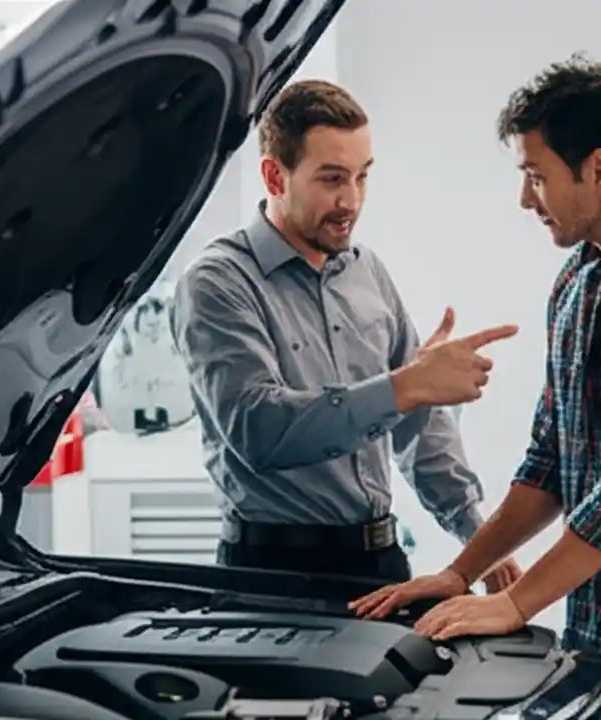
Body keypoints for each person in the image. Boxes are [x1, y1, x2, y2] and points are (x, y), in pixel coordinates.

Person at [171, 79, 522, 585]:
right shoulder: (218, 282)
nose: (352, 201)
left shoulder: (366, 270)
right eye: (332, 179)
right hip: (273, 572)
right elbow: (258, 429)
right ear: (274, 176)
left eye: (362, 177)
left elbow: (417, 423)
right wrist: (406, 385)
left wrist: (476, 533)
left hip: (380, 562)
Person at [350, 55, 601, 646]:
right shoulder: (576, 282)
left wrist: (516, 602)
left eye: (536, 176)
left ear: (597, 167)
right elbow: (551, 460)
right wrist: (461, 572)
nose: (525, 199)